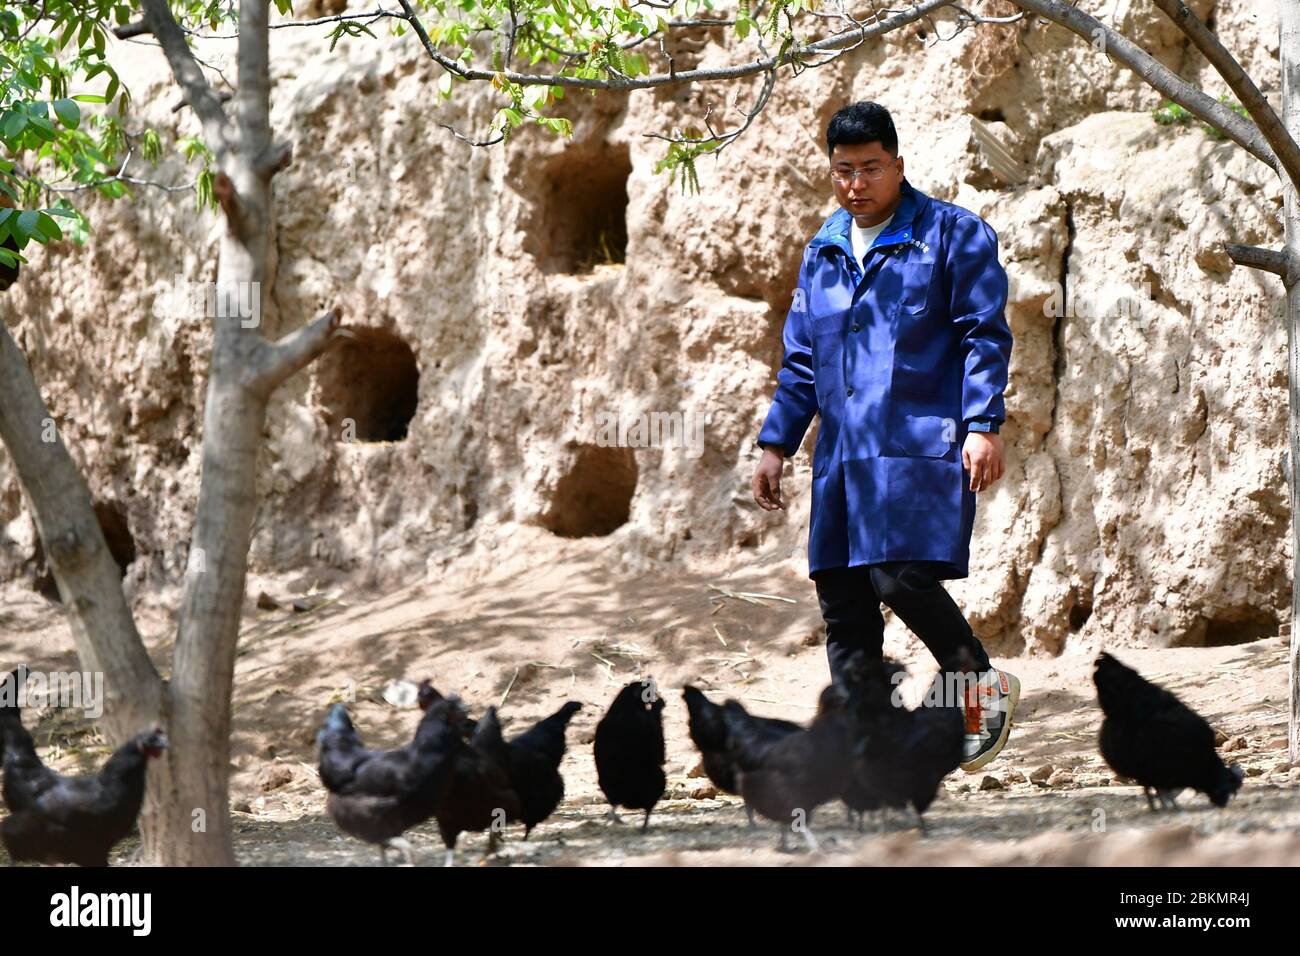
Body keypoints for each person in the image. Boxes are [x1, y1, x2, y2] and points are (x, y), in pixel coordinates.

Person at [751, 101, 1019, 772]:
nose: (856, 184)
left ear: (898, 165)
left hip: (916, 446)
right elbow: (804, 362)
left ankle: (978, 687)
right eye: (844, 170)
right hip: (842, 457)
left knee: (899, 577)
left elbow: (984, 335)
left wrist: (983, 424)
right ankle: (865, 741)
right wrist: (776, 444)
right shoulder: (824, 251)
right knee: (843, 599)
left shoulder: (953, 235)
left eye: (871, 168)